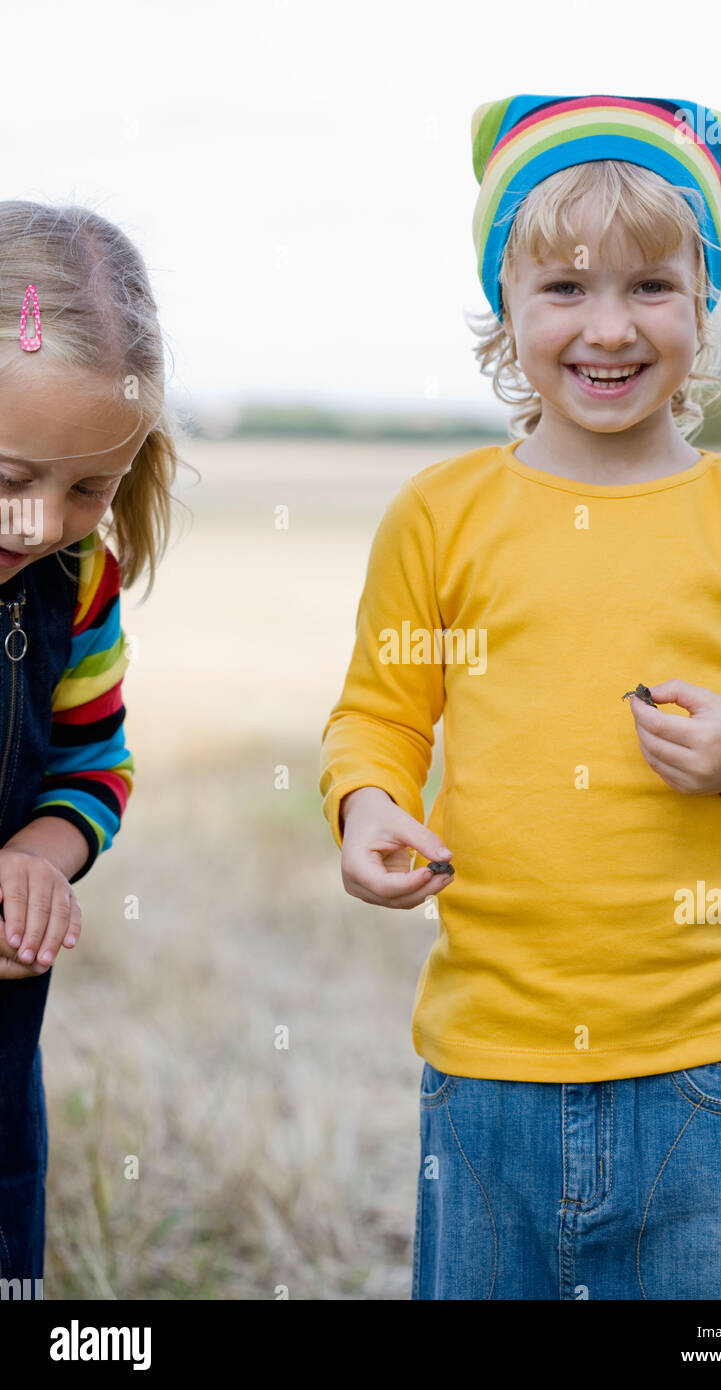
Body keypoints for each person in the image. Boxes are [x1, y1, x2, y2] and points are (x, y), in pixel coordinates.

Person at [319, 94, 721, 1299]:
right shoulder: (439, 515)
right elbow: (380, 714)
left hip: (707, 1071)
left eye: (648, 287)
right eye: (562, 288)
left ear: (701, 301)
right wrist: (365, 803)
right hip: (485, 1076)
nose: (606, 326)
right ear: (502, 307)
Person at [0, 201, 180, 1289]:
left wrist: (40, 855)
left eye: (88, 489)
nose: (38, 524)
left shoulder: (79, 582)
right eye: (9, 475)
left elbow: (93, 762)